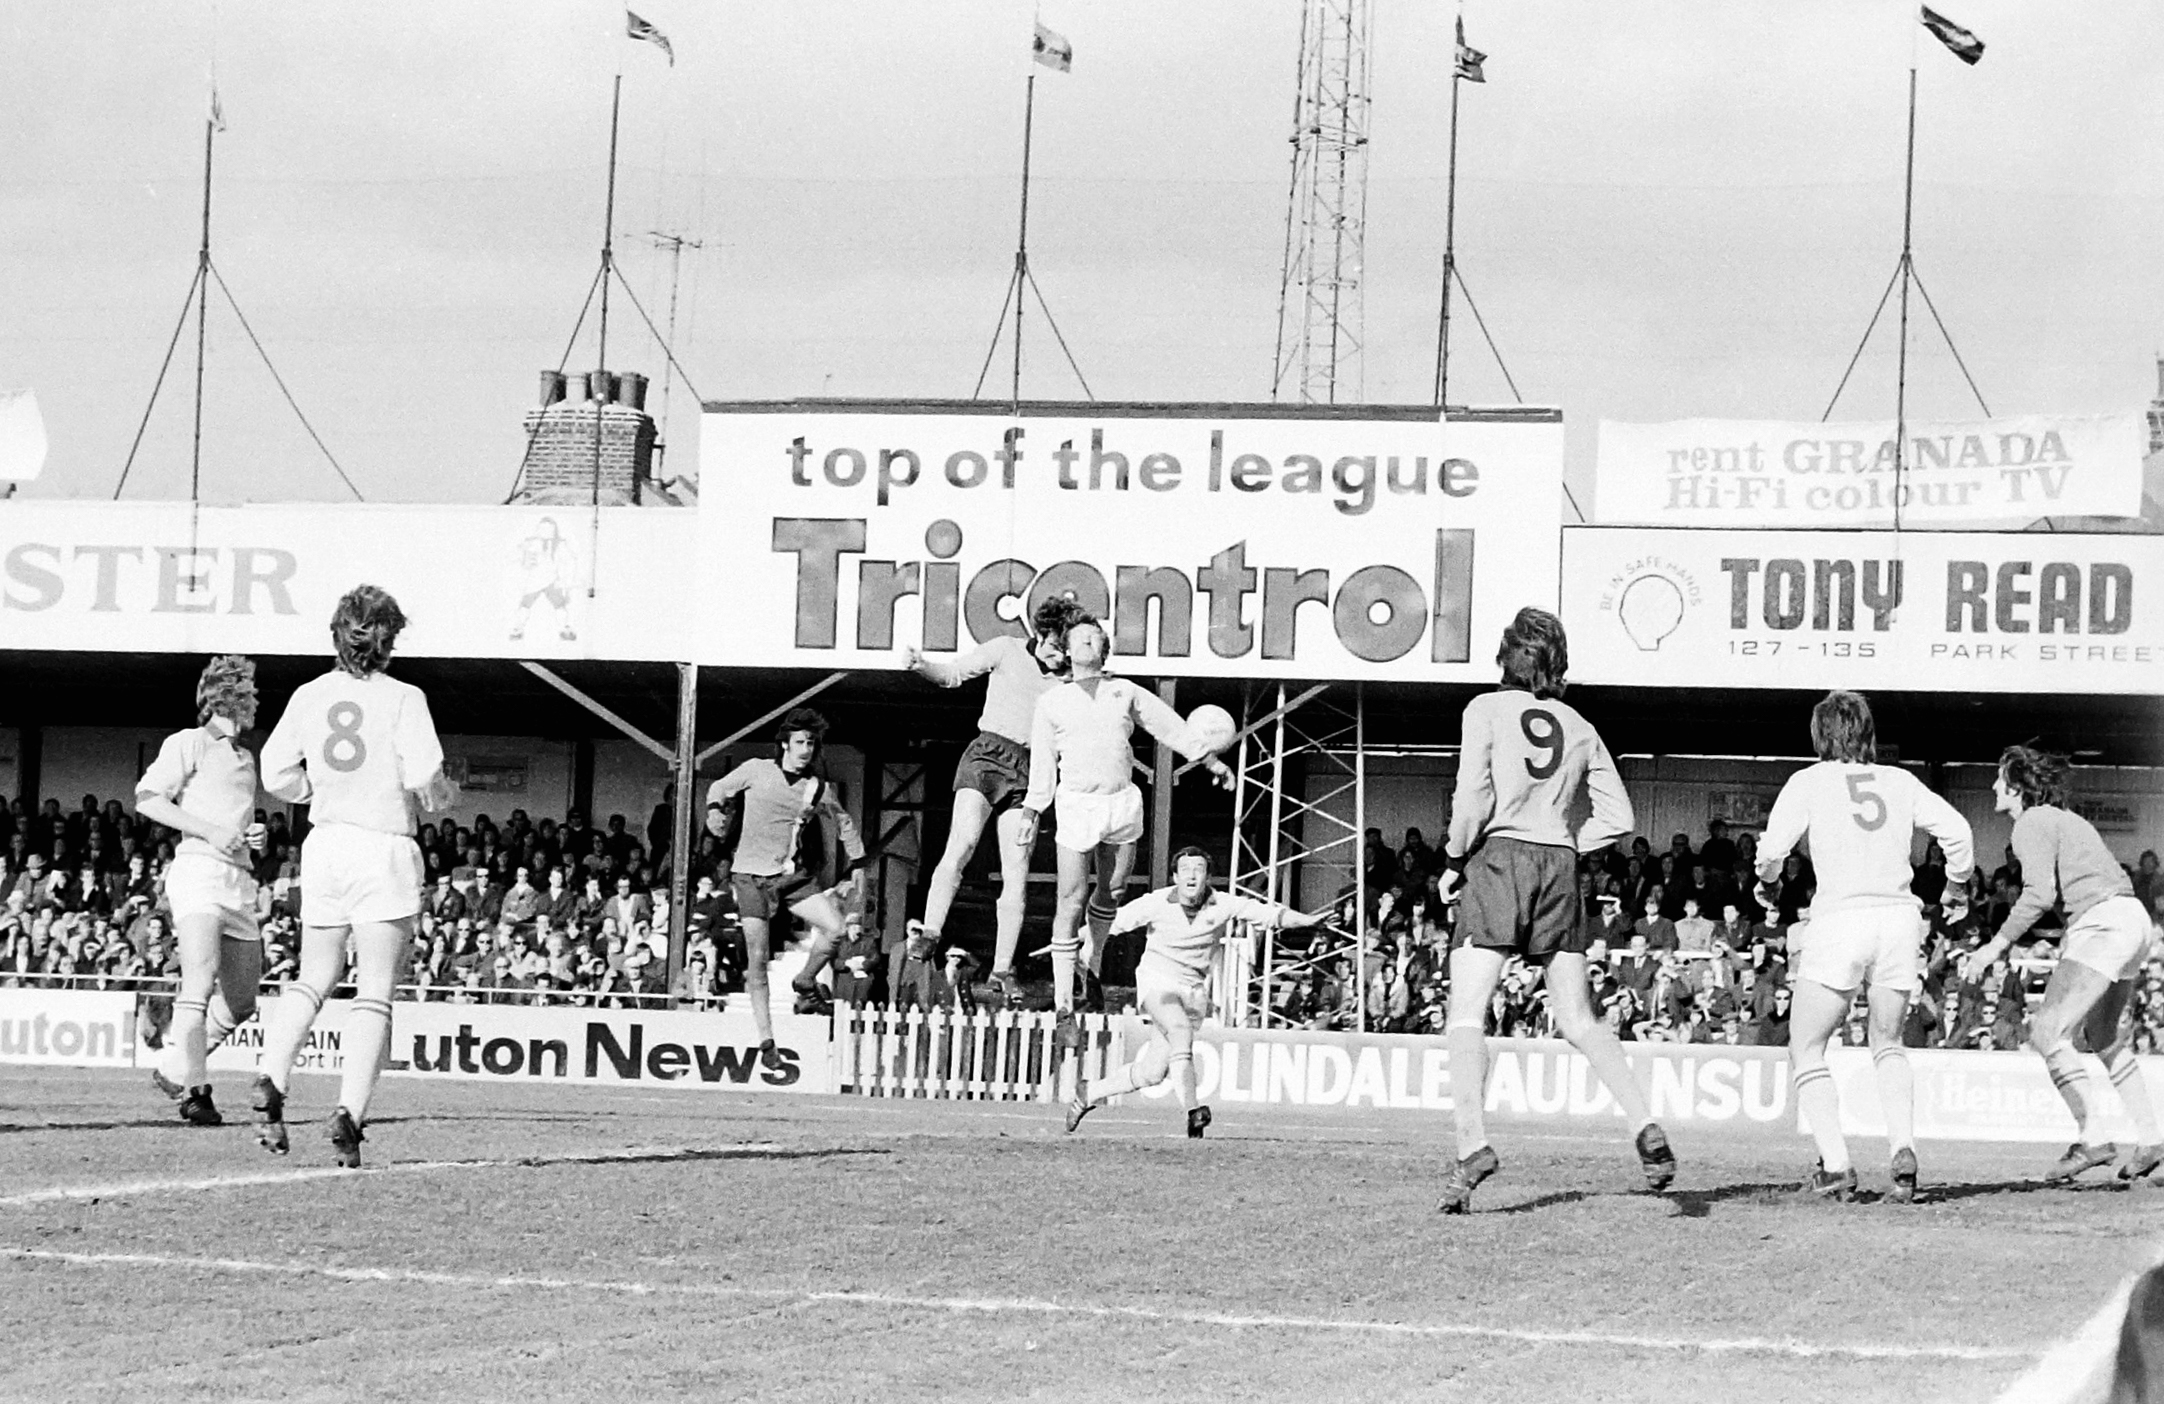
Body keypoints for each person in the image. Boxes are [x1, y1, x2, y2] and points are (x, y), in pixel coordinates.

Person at [1434, 606, 1676, 1213]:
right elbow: (1619, 819)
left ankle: (1472, 1146)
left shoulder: (1485, 710)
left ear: (1504, 660)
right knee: (1579, 1018)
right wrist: (1568, 844)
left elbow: (1472, 795)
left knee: (1467, 1014)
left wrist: (1455, 856)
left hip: (1500, 858)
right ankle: (1643, 1121)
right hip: (1560, 866)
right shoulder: (1580, 726)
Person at [254, 585, 456, 1168]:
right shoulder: (405, 698)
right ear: (388, 639)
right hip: (381, 847)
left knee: (313, 976)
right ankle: (349, 1113)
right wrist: (442, 798)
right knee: (374, 993)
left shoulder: (309, 694)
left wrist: (310, 788)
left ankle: (271, 1073)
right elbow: (424, 774)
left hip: (325, 844)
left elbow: (276, 773)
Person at [1754, 690, 1973, 1202]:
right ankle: (1903, 1152)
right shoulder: (1900, 781)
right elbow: (1959, 832)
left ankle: (1835, 1165)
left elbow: (1772, 851)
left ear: (1820, 735)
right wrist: (1956, 886)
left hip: (1841, 918)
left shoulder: (1808, 781)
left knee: (1807, 1046)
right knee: (1888, 1042)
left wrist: (1766, 883)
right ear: (1867, 734)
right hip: (1899, 919)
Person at [1960, 745, 2163, 1185]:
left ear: (2015, 789)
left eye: (1999, 780)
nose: (1994, 786)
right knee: (2103, 1035)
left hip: (2102, 923)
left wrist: (1994, 946)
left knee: (2046, 1032)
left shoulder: (2031, 822)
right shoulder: (2067, 820)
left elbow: (2038, 895)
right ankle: (2150, 1139)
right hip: (2132, 920)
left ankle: (2093, 1138)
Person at [1018, 614, 1233, 1029]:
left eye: (1094, 638)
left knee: (1112, 890)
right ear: (1065, 651)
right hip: (1078, 804)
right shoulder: (1052, 702)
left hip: (1121, 803)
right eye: (1079, 638)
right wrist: (1032, 810)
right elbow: (1043, 764)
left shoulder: (1125, 691)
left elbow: (1168, 726)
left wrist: (1210, 760)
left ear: (1104, 649)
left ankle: (1090, 967)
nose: (1087, 642)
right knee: (1071, 899)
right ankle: (1064, 1002)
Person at [900, 596, 1081, 1008]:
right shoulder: (1006, 650)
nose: (1059, 657)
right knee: (961, 845)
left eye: (1067, 652)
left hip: (1029, 771)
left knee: (1016, 871)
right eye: (1056, 646)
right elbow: (953, 675)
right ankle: (929, 932)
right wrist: (921, 664)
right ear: (1043, 633)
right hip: (987, 755)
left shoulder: (1069, 683)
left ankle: (1002, 968)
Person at [1065, 847, 1321, 1138]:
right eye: (1185, 869)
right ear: (1175, 876)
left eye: (1198, 869)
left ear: (1208, 877)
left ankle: (1089, 1092)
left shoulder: (1222, 904)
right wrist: (1070, 940)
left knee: (1152, 1072)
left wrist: (1307, 920)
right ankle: (1193, 1112)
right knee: (1179, 1028)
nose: (1191, 875)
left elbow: (1268, 915)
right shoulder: (1156, 902)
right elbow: (1109, 923)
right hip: (1157, 984)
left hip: (1193, 991)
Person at [134, 655, 267, 1126]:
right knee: (198, 983)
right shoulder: (188, 743)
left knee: (241, 1001)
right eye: (249, 692)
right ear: (228, 696)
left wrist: (254, 837)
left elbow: (235, 820)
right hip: (199, 872)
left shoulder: (245, 757)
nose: (255, 701)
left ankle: (174, 1068)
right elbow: (148, 799)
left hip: (238, 880)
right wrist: (210, 832)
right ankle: (195, 1092)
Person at [705, 708, 866, 1066]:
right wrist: (714, 808)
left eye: (811, 743)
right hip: (750, 878)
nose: (806, 749)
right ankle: (767, 1043)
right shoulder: (757, 770)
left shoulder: (817, 788)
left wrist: (857, 863)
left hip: (792, 877)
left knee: (837, 929)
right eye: (800, 742)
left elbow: (844, 821)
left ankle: (805, 983)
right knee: (758, 962)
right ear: (784, 745)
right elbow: (719, 787)